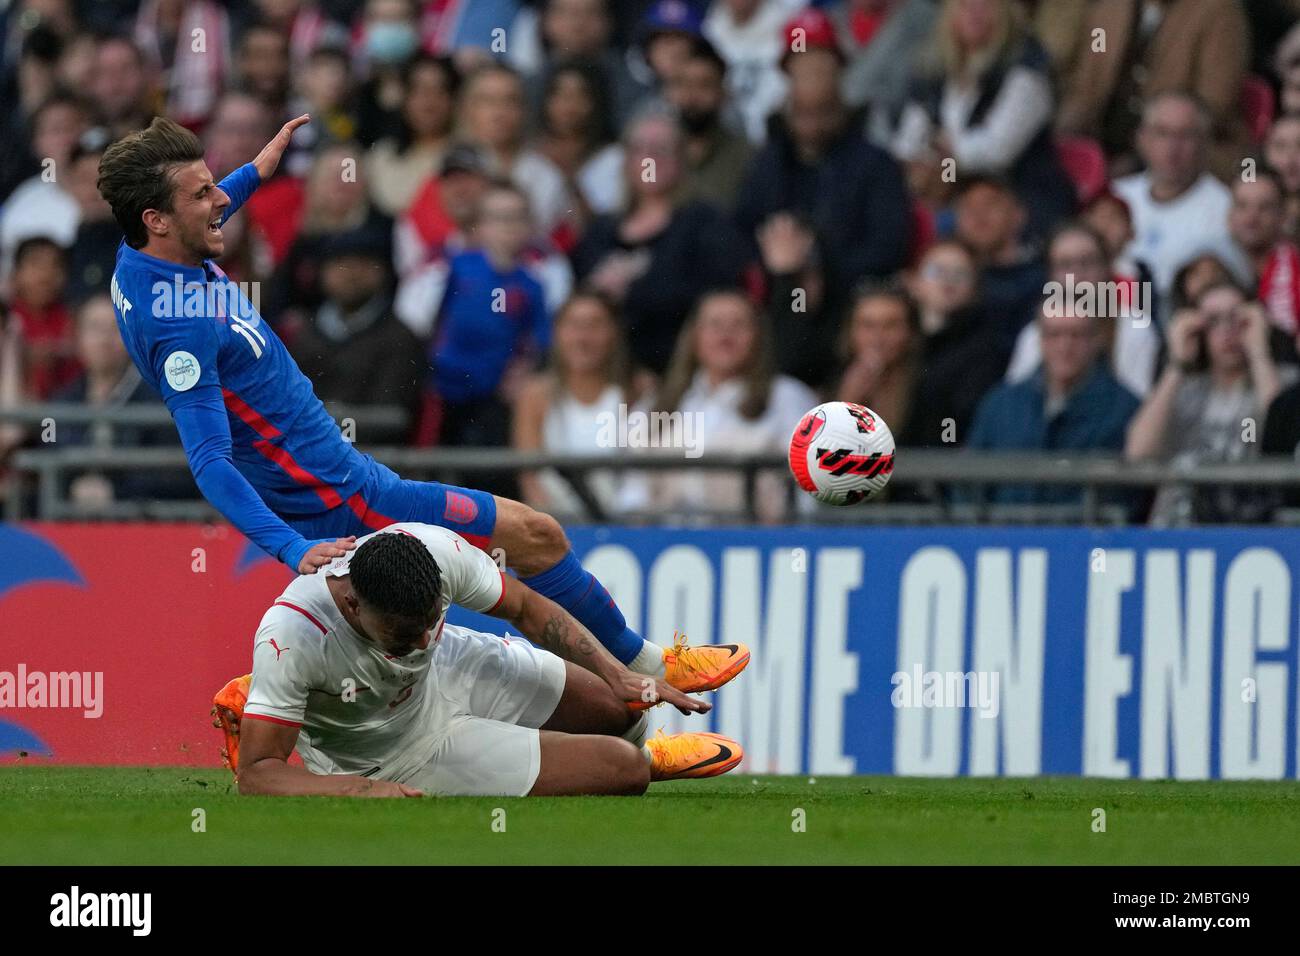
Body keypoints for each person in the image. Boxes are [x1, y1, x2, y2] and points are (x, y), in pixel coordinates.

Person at [96, 114, 749, 706]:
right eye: (204, 194)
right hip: (341, 499)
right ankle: (648, 675)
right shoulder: (175, 324)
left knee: (432, 632)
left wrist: (260, 166)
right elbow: (208, 459)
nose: (222, 203)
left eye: (217, 186)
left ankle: (636, 689)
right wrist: (292, 548)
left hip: (343, 476)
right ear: (157, 218)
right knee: (535, 542)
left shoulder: (148, 254)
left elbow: (212, 204)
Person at [222, 524, 743, 796]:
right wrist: (358, 789)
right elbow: (258, 775)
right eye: (404, 635)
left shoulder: (433, 551)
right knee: (625, 770)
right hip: (394, 752)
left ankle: (642, 734)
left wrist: (620, 673)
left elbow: (526, 606)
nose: (422, 638)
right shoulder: (291, 635)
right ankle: (650, 759)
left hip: (455, 666)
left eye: (431, 619)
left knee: (619, 708)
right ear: (353, 604)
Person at [571, 106, 751, 373]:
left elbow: (714, 295)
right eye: (639, 149)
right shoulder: (602, 229)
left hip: (680, 369)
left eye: (660, 150)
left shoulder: (706, 222)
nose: (649, 160)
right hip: (609, 372)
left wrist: (632, 289)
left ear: (681, 159)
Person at [619, 288, 818, 523]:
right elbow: (632, 488)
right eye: (714, 324)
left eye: (739, 325)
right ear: (694, 336)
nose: (726, 335)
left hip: (756, 541)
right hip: (668, 543)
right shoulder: (657, 401)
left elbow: (805, 493)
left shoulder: (787, 398)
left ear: (758, 336)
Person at [893, 0, 1074, 238]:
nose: (975, 11)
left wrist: (941, 151)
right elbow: (906, 144)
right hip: (951, 196)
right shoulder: (933, 70)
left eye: (987, 3)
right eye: (965, 4)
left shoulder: (1027, 67)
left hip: (1021, 201)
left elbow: (996, 151)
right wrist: (931, 158)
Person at [1125, 280, 1289, 524]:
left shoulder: (1280, 382)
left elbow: (1283, 439)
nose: (1227, 331)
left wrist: (1259, 352)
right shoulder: (1180, 391)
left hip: (1251, 526)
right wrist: (1177, 364)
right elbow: (1138, 454)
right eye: (1213, 321)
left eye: (1238, 320)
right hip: (1179, 526)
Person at [965, 302, 1141, 505]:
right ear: (1040, 339)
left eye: (1077, 335)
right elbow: (969, 484)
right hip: (1003, 534)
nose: (1065, 347)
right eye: (1054, 334)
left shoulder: (1125, 410)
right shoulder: (1001, 404)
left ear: (1096, 339)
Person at [512, 289, 653, 519]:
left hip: (626, 526)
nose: (583, 338)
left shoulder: (638, 390)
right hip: (556, 526)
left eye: (595, 326)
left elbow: (645, 474)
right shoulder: (535, 395)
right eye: (573, 325)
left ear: (614, 332)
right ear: (557, 333)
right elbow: (531, 479)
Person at [1005, 221, 1161, 398]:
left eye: (1087, 262)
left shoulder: (1135, 329)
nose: (1077, 275)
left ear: (1107, 268)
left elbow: (1138, 407)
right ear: (1050, 275)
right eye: (1065, 265)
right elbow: (1013, 405)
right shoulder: (1033, 334)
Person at [1112, 92, 1238, 299]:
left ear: (1204, 143)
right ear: (1142, 138)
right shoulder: (1116, 196)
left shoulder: (1225, 208)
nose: (1173, 147)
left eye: (1185, 135)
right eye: (1162, 133)